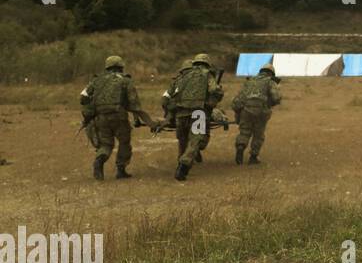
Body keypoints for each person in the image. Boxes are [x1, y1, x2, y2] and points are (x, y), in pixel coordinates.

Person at [78, 56, 158, 180]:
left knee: (106, 144)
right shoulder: (126, 81)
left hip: (101, 117)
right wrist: (144, 121)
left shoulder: (96, 81)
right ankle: (121, 169)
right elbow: (134, 104)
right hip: (119, 117)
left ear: (107, 67)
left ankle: (99, 161)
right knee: (124, 142)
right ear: (121, 67)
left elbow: (83, 98)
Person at [162, 53, 223, 181]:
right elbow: (214, 90)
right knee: (195, 141)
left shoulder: (181, 76)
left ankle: (181, 160)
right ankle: (183, 167)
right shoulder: (207, 74)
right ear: (207, 64)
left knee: (183, 140)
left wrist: (169, 113)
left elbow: (170, 95)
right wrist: (217, 95)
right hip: (198, 113)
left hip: (181, 113)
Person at [232, 63, 281, 165]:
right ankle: (253, 157)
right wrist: (270, 103)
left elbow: (239, 99)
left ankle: (241, 146)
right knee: (258, 134)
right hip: (261, 111)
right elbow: (276, 97)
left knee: (244, 131)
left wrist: (238, 111)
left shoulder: (250, 81)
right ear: (271, 73)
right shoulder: (270, 82)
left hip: (246, 110)